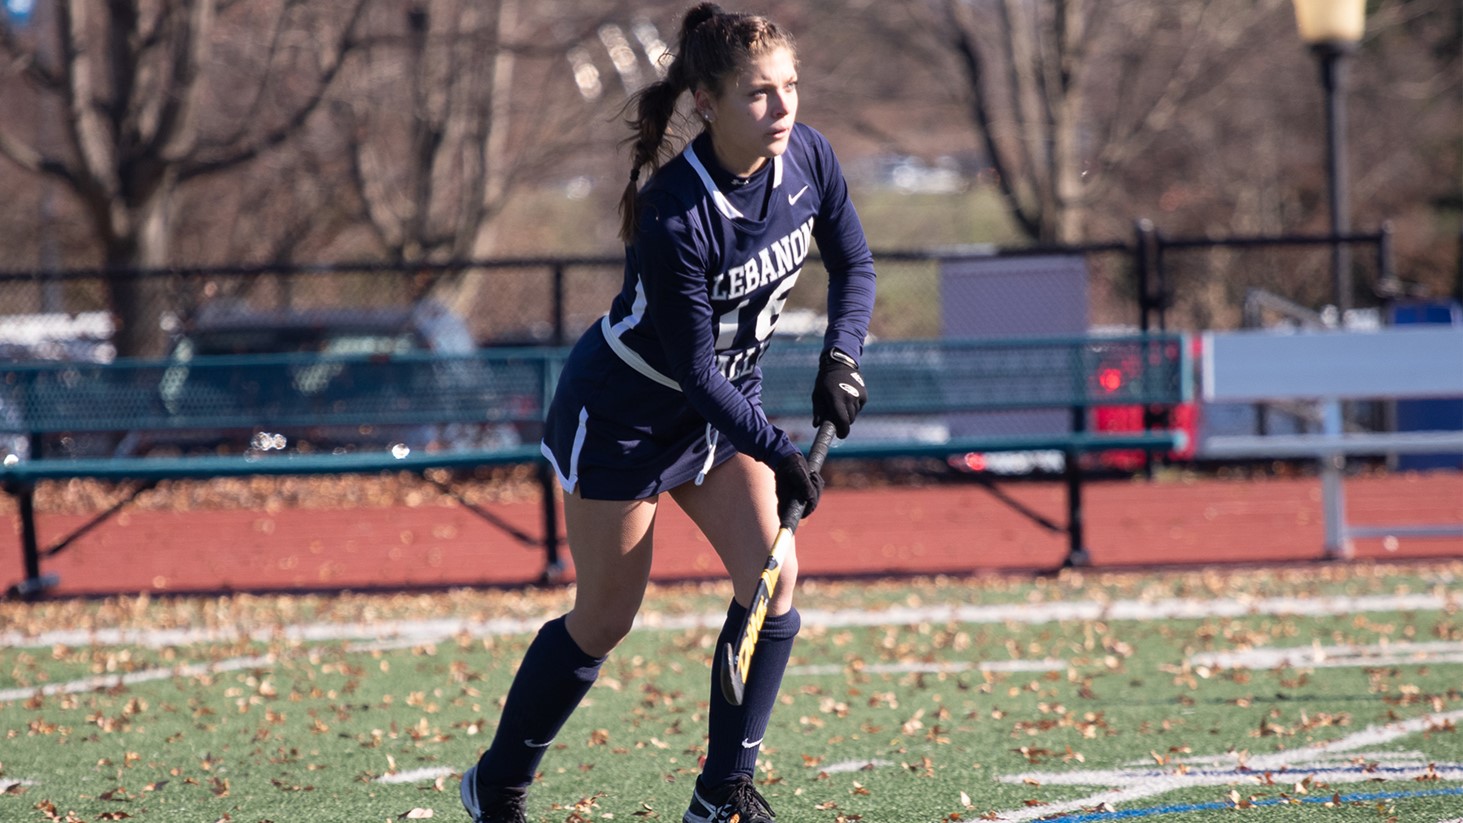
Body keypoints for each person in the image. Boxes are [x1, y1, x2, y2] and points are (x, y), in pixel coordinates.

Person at [460, 4, 876, 822]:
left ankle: (720, 795)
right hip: (625, 417)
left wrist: (842, 356)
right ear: (706, 103)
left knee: (773, 577)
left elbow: (853, 262)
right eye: (759, 93)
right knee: (607, 616)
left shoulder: (810, 159)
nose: (783, 107)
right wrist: (781, 449)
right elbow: (690, 370)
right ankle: (497, 782)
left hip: (721, 410)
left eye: (789, 86)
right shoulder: (677, 211)